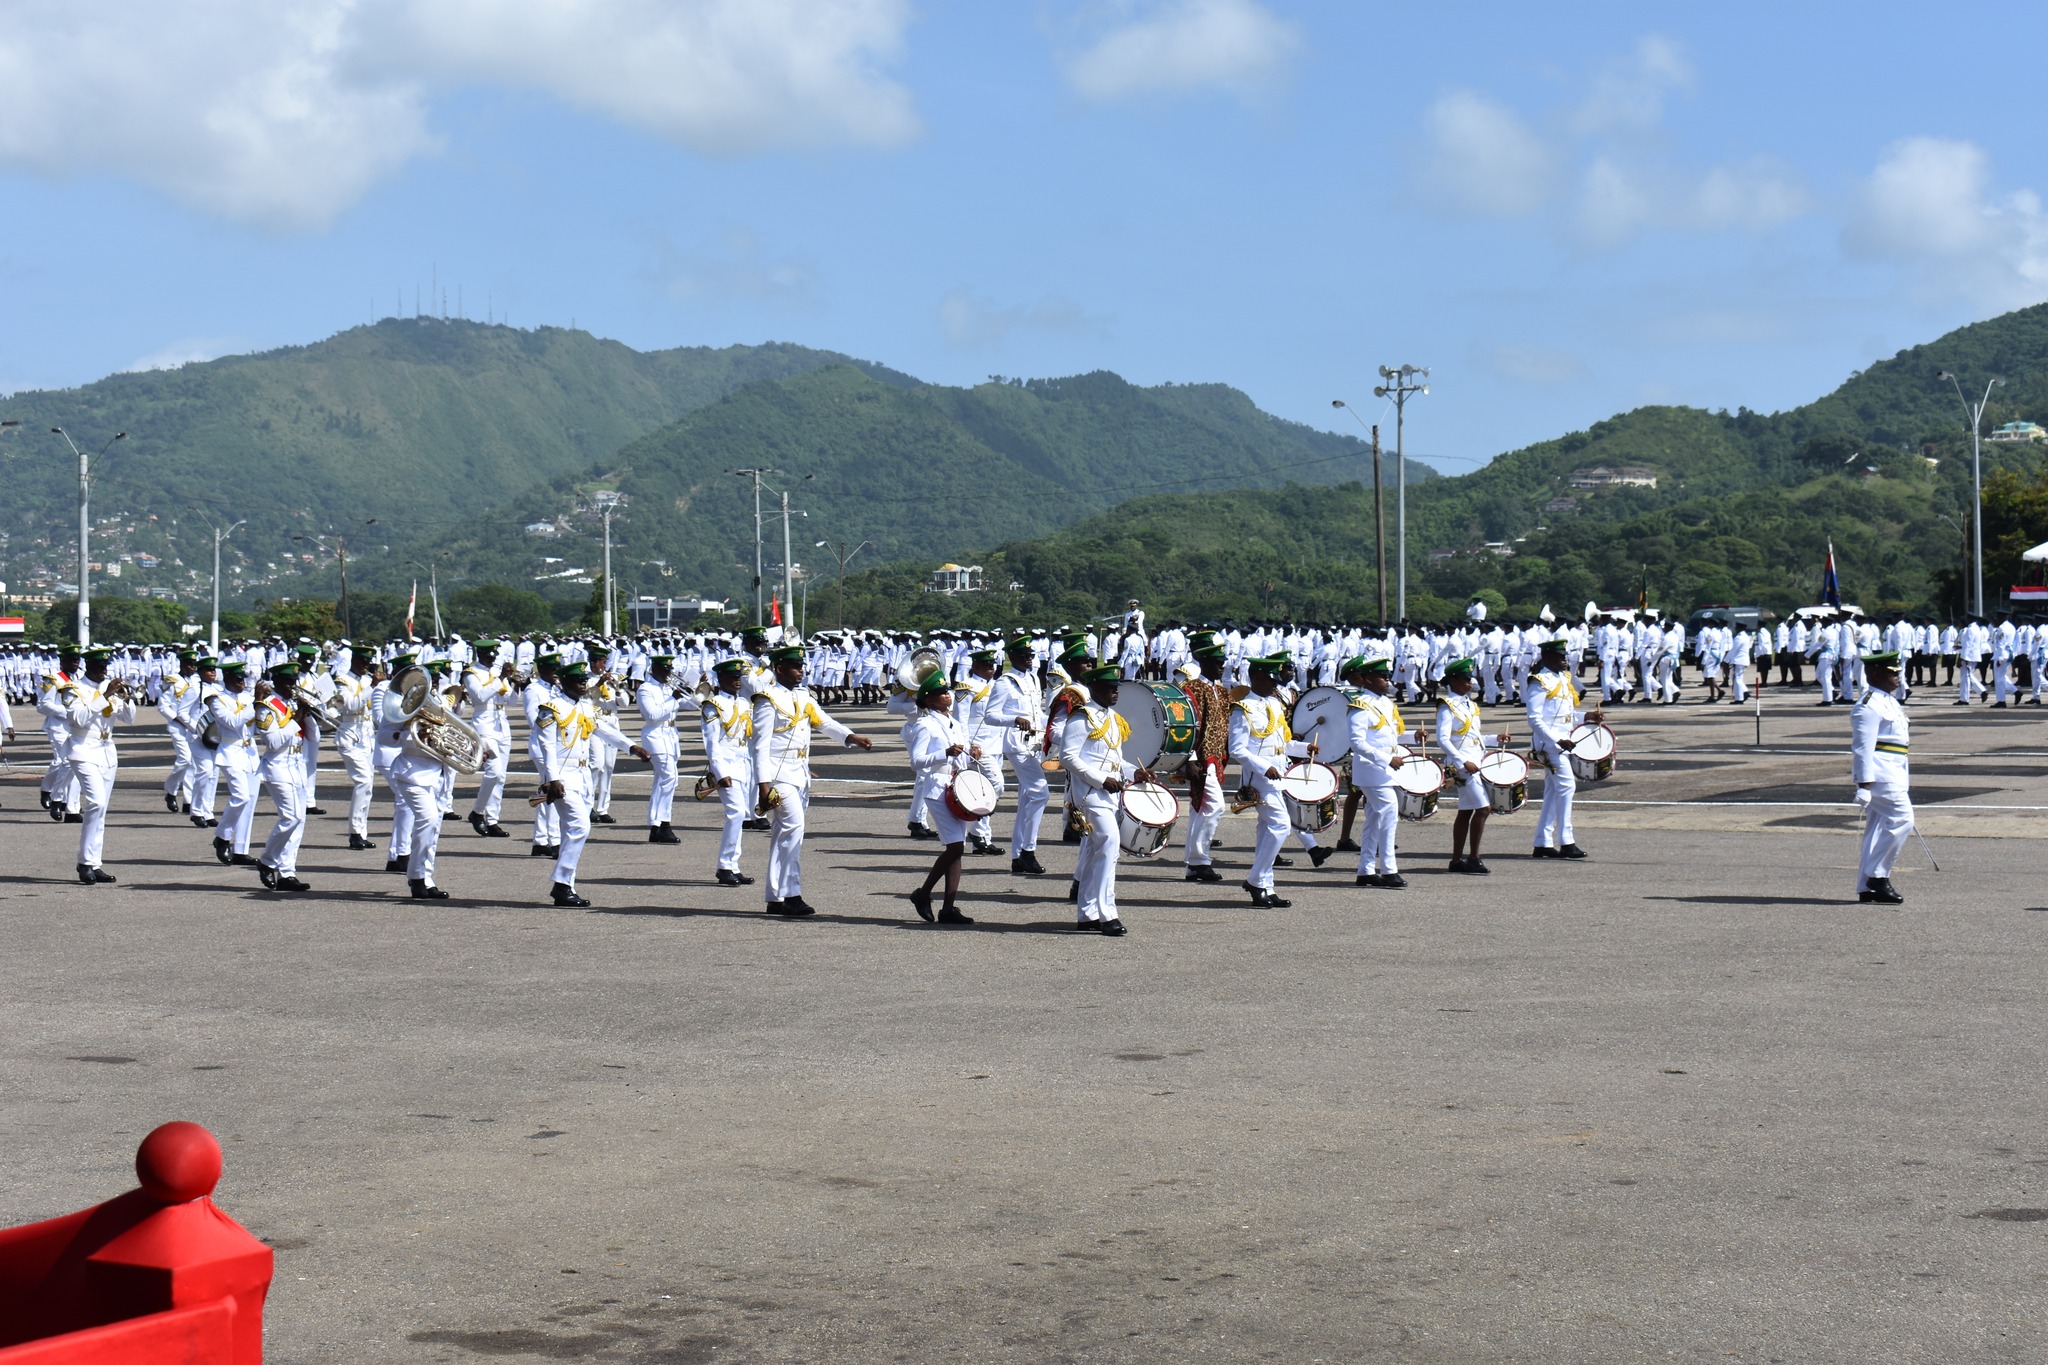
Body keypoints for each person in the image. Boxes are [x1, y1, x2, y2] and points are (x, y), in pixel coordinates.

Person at [748, 644, 874, 916]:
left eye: (801, 666)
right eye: (795, 667)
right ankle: (791, 895)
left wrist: (850, 737)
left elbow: (824, 721)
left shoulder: (803, 696)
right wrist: (763, 785)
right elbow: (759, 746)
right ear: (779, 668)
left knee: (784, 834)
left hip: (800, 772)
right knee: (793, 830)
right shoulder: (767, 699)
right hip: (778, 774)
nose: (801, 671)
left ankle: (775, 896)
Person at [532, 661, 651, 907]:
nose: (583, 684)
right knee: (580, 827)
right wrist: (552, 778)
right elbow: (546, 746)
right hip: (562, 776)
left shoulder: (586, 707)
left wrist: (631, 747)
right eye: (578, 680)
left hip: (583, 775)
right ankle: (561, 883)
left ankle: (567, 887)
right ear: (564, 682)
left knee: (571, 832)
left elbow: (604, 729)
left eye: (585, 680)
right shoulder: (551, 709)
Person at [1058, 664, 1153, 935]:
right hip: (1089, 795)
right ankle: (1107, 914)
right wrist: (1101, 779)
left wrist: (1134, 772)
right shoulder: (1081, 718)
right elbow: (1067, 756)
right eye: (1110, 688)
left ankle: (1087, 914)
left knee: (1093, 852)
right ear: (1094, 688)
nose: (1115, 692)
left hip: (1109, 795)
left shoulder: (1112, 718)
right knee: (1110, 846)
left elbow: (1114, 760)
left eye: (1116, 688)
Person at [1228, 654, 1327, 907]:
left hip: (1279, 774)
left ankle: (1266, 887)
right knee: (1281, 825)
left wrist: (1304, 748)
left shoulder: (1273, 705)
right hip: (1259, 778)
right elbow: (1237, 749)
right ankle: (1255, 880)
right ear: (1256, 677)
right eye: (1271, 679)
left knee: (1266, 832)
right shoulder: (1242, 709)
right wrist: (1265, 767)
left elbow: (1283, 743)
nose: (1275, 684)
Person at [1342, 657, 1425, 888]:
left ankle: (1366, 870)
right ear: (1368, 679)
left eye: (1388, 676)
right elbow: (1357, 743)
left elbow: (1390, 736)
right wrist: (1387, 759)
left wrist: (1413, 737)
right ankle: (1389, 870)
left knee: (1374, 819)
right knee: (1389, 812)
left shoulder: (1386, 703)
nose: (1387, 680)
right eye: (1382, 677)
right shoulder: (1360, 706)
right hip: (1371, 770)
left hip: (1387, 770)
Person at [904, 673, 979, 924]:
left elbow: (961, 756)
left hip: (957, 787)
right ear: (928, 700)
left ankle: (948, 909)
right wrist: (944, 753)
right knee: (955, 847)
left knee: (957, 849)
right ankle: (923, 894)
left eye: (947, 691)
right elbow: (916, 761)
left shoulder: (953, 722)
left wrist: (972, 753)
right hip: (937, 787)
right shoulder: (925, 725)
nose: (947, 695)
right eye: (941, 693)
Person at [60, 647, 139, 885]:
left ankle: (95, 862)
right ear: (88, 666)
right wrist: (105, 696)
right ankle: (85, 862)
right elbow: (78, 719)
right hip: (82, 749)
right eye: (99, 666)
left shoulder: (109, 688)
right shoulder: (73, 689)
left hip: (106, 752)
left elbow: (130, 719)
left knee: (101, 810)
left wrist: (127, 697)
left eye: (105, 666)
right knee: (96, 802)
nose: (103, 670)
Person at [1524, 638, 1602, 860]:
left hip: (1564, 740)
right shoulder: (1539, 682)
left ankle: (1542, 842)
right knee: (1567, 786)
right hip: (1549, 743)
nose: (1565, 659)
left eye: (1565, 656)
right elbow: (1535, 719)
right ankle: (1566, 841)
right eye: (1560, 656)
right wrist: (1555, 740)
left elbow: (1566, 715)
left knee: (1553, 791)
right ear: (1548, 657)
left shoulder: (1564, 678)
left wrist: (1587, 716)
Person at [1436, 658, 1511, 874]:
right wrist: (1461, 761)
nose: (1470, 683)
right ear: (1454, 681)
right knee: (1483, 808)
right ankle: (1474, 858)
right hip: (1462, 765)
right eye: (1466, 679)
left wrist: (1495, 739)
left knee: (1466, 811)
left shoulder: (1470, 704)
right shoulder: (1446, 706)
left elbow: (1473, 737)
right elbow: (1443, 739)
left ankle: (1456, 860)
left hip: (1476, 762)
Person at [982, 635, 1050, 876]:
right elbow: (990, 716)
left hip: (1034, 743)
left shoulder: (1033, 678)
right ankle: (1028, 851)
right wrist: (1014, 719)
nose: (1029, 659)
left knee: (1026, 799)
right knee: (1040, 792)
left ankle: (1017, 855)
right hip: (1017, 743)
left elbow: (1037, 713)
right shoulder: (1004, 682)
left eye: (1031, 655)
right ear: (1012, 657)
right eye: (1024, 656)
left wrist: (1053, 724)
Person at [1849, 651, 1911, 905]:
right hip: (1881, 774)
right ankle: (1877, 875)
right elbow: (1862, 748)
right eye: (1891, 672)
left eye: (1897, 672)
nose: (1897, 676)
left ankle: (1867, 887)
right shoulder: (1868, 705)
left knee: (1875, 831)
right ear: (1874, 674)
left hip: (1895, 771)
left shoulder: (1888, 700)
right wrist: (1863, 785)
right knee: (1902, 819)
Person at [250, 662, 312, 892]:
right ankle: (267, 861)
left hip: (297, 765)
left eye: (293, 682)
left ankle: (287, 872)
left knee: (299, 821)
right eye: (287, 682)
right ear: (276, 682)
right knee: (291, 818)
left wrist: (309, 714)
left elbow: (314, 736)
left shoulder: (292, 704)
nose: (291, 687)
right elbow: (273, 742)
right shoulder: (266, 707)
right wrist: (296, 720)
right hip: (277, 767)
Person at [1178, 643, 1234, 883]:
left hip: (1215, 758)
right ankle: (1200, 861)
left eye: (1223, 662)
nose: (1222, 666)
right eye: (1217, 662)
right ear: (1204, 663)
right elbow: (1186, 725)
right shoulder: (1192, 688)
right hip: (1200, 758)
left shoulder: (1221, 691)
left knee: (1199, 809)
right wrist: (1189, 759)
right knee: (1215, 806)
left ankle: (1192, 866)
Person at [699, 657, 756, 885]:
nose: (738, 681)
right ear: (721, 679)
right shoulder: (713, 705)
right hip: (725, 766)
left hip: (743, 765)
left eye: (739, 677)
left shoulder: (744, 703)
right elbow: (712, 744)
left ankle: (733, 865)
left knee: (740, 814)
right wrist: (720, 773)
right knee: (736, 812)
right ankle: (724, 866)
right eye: (733, 677)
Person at [207, 660, 264, 868]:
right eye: (238, 679)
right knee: (240, 796)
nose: (242, 683)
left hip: (250, 753)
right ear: (228, 678)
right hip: (230, 751)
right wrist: (257, 703)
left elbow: (260, 724)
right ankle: (222, 837)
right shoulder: (216, 699)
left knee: (250, 802)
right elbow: (232, 722)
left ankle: (241, 850)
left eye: (244, 679)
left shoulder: (249, 697)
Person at [462, 639, 515, 839]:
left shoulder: (495, 672)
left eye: (494, 656)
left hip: (502, 724)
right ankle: (477, 812)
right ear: (480, 654)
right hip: (484, 724)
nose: (492, 659)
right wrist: (500, 678)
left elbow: (512, 701)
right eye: (489, 656)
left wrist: (516, 684)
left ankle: (492, 820)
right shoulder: (471, 673)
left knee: (501, 777)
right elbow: (480, 696)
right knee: (493, 771)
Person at [334, 644, 381, 849]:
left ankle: (361, 832)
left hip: (367, 737)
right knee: (363, 781)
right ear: (354, 660)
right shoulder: (342, 681)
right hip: (350, 736)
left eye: (368, 662)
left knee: (368, 785)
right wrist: (372, 687)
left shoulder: (368, 681)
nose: (366, 665)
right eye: (363, 661)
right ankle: (355, 832)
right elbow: (351, 706)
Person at [637, 654, 685, 844]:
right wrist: (673, 699)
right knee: (670, 778)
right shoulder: (645, 689)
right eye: (665, 670)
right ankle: (664, 823)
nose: (668, 674)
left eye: (669, 670)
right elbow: (652, 715)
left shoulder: (668, 687)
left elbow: (688, 703)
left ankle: (656, 825)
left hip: (671, 736)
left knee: (662, 781)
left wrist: (697, 690)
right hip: (655, 736)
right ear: (655, 669)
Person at [158, 651, 201, 815]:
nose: (192, 667)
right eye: (189, 664)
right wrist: (176, 719)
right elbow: (163, 706)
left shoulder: (197, 681)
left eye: (194, 664)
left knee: (193, 764)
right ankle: (171, 791)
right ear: (182, 664)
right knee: (185, 759)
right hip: (177, 726)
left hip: (192, 725)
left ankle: (188, 801)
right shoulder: (173, 680)